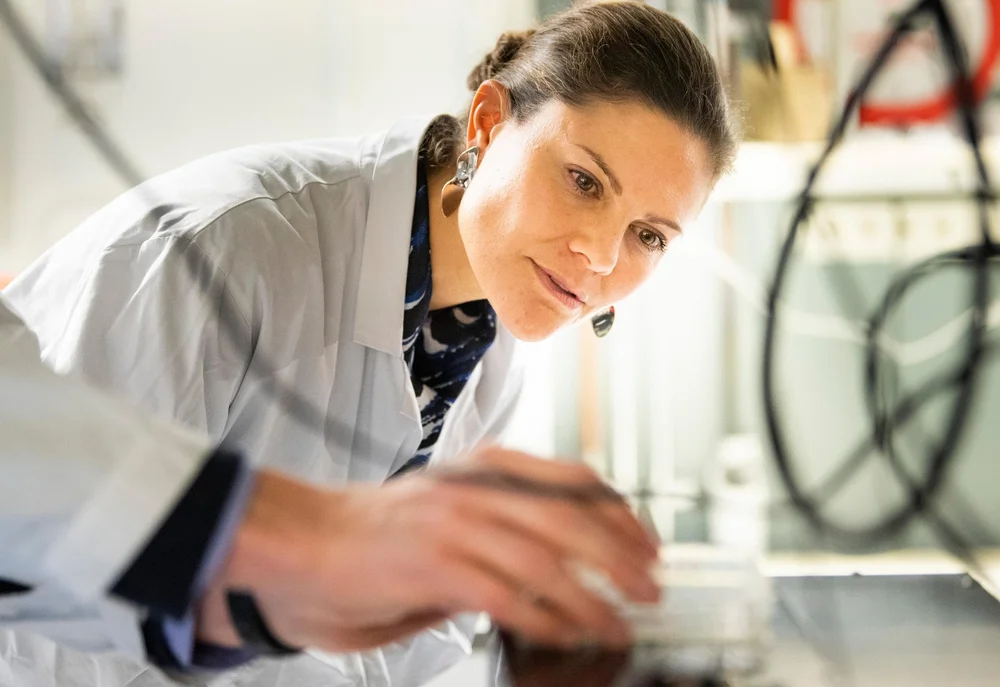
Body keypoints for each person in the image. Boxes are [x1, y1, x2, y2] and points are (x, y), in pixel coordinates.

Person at [4, 1, 738, 685]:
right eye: (583, 180)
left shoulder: (485, 339)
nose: (603, 255)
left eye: (649, 236)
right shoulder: (226, 250)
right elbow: (49, 588)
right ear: (487, 122)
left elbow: (409, 636)